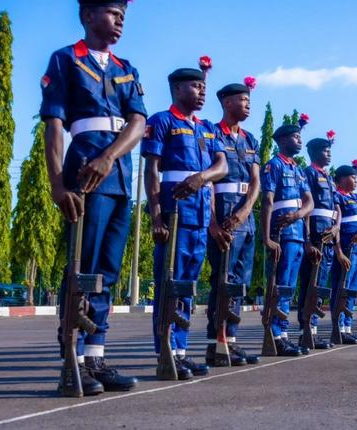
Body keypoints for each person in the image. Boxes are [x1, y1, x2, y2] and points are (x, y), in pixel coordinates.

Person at [40, 0, 145, 394]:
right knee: (81, 270)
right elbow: (53, 125)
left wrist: (110, 157)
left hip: (118, 176)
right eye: (113, 13)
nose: (120, 21)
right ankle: (71, 360)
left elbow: (138, 122)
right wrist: (57, 185)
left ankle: (95, 358)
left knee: (108, 272)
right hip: (84, 174)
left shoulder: (126, 68)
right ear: (87, 15)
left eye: (123, 16)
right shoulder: (66, 59)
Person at [143, 58, 228, 380]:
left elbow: (221, 167)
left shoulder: (207, 128)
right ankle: (165, 352)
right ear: (177, 89)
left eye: (203, 87)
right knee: (170, 285)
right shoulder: (161, 121)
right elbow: (152, 170)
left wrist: (201, 177)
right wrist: (155, 215)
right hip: (174, 215)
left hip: (200, 216)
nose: (202, 92)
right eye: (195, 86)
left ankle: (180, 351)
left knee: (188, 287)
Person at [205, 78, 261, 366]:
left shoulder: (250, 140)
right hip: (223, 213)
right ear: (227, 103)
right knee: (223, 280)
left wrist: (245, 211)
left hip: (244, 217)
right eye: (243, 100)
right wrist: (213, 223)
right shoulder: (212, 134)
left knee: (240, 282)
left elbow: (255, 181)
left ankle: (231, 340)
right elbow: (208, 183)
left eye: (249, 100)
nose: (248, 105)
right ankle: (216, 342)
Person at [260, 119, 314, 356]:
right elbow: (267, 201)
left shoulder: (298, 170)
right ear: (282, 140)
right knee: (280, 285)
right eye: (295, 137)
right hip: (281, 234)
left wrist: (297, 215)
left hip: (297, 232)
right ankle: (275, 335)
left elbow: (309, 202)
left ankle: (282, 333)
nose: (299, 141)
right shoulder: (274, 165)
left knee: (289, 287)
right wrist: (267, 237)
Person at [298, 131, 341, 350]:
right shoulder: (309, 174)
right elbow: (306, 208)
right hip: (315, 235)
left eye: (329, 150)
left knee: (320, 284)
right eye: (325, 150)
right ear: (314, 152)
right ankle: (305, 330)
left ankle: (313, 331)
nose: (329, 154)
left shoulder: (329, 178)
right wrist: (307, 241)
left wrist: (336, 227)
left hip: (328, 236)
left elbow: (336, 208)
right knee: (310, 284)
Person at [331, 161, 357, 344]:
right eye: (352, 177)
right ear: (341, 179)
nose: (355, 181)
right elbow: (336, 227)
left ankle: (347, 328)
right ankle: (338, 327)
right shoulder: (336, 197)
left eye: (356, 178)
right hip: (346, 249)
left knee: (352, 290)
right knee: (341, 288)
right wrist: (339, 252)